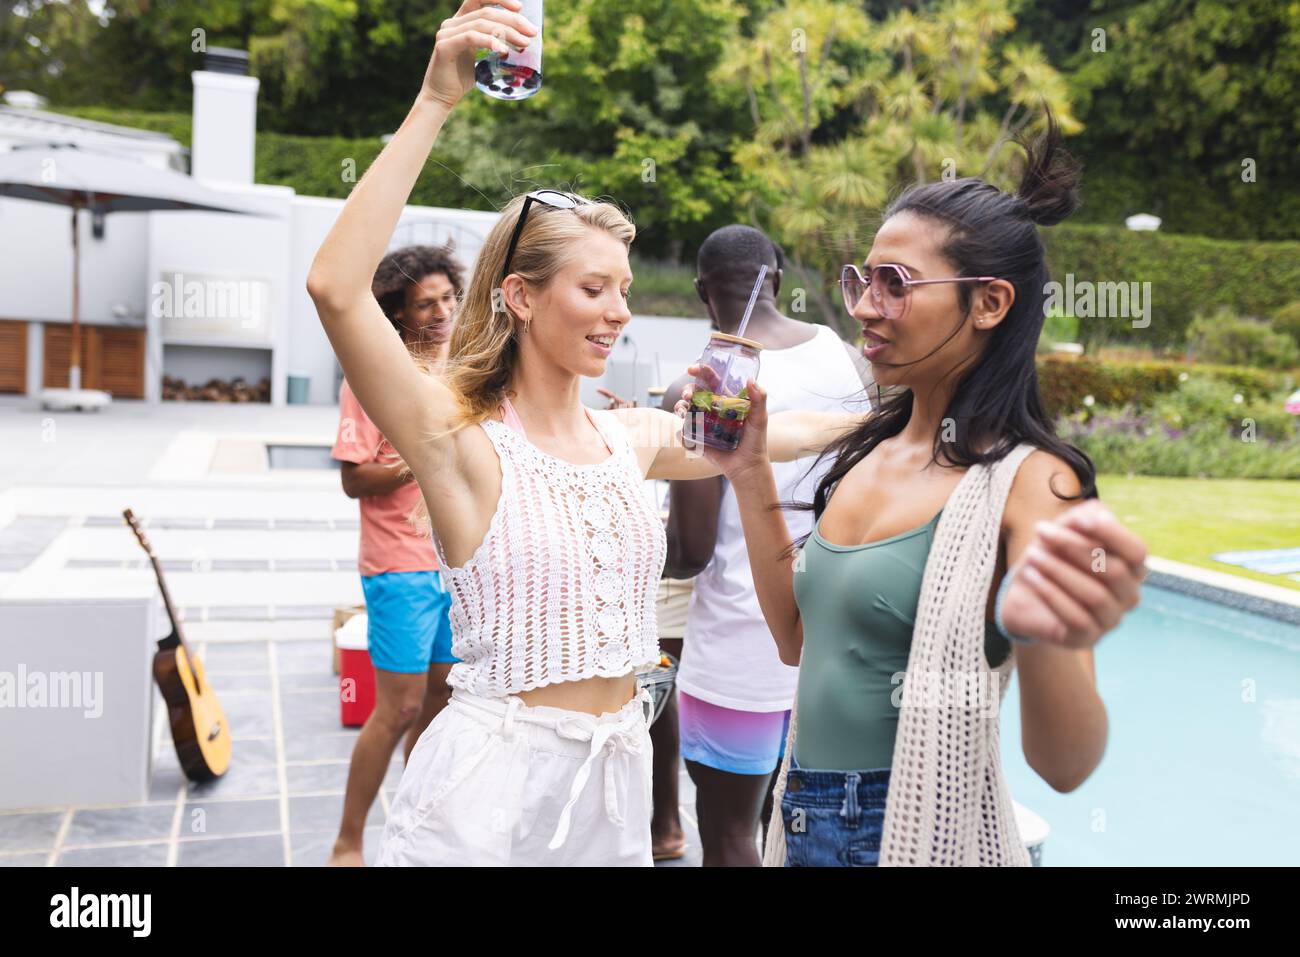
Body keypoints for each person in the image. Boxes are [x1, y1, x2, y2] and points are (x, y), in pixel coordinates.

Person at [306, 0, 864, 866]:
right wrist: (434, 102)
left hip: (615, 786)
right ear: (522, 296)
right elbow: (336, 287)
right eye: (594, 288)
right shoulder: (459, 442)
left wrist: (905, 412)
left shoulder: (632, 435)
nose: (621, 311)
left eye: (625, 287)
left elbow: (783, 435)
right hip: (489, 797)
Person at [675, 110, 1149, 867]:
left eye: (894, 284)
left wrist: (1041, 631)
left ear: (989, 303)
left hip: (916, 830)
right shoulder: (871, 450)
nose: (864, 306)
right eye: (863, 279)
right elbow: (799, 639)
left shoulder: (1035, 484)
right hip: (802, 819)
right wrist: (749, 468)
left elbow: (1067, 765)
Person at [659, 225, 871, 866]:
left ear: (702, 292)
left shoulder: (704, 383)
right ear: (777, 278)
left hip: (739, 652)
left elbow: (692, 549)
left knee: (730, 835)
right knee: (807, 828)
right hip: (832, 644)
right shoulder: (852, 361)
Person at [327, 243, 464, 867]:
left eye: (446, 298)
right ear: (398, 314)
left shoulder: (464, 368)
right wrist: (422, 455)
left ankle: (413, 831)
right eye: (423, 304)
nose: (439, 312)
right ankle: (348, 840)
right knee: (398, 706)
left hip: (456, 563)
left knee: (437, 709)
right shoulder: (373, 372)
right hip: (399, 565)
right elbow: (355, 478)